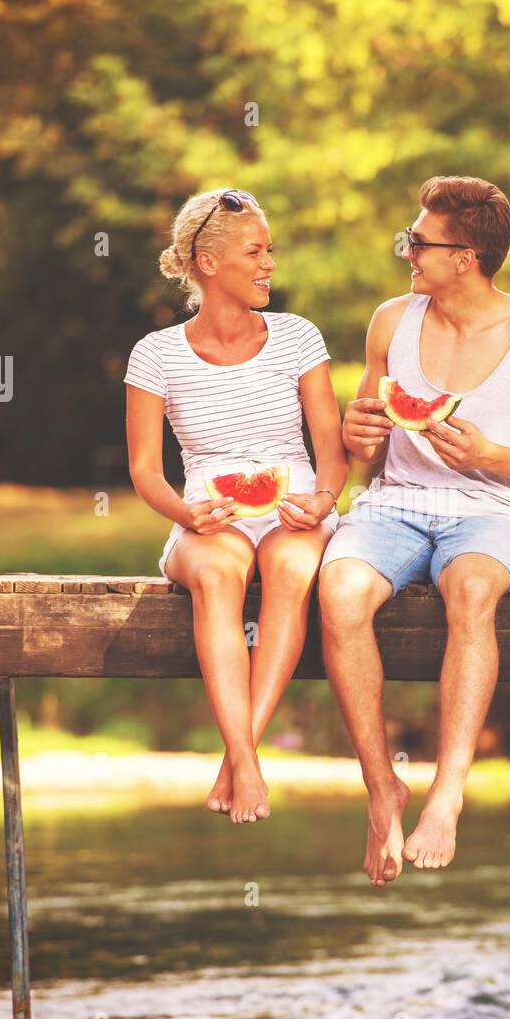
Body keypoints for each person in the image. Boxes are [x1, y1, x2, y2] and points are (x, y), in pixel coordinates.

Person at [319, 175, 510, 886]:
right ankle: (382, 788)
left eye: (418, 241)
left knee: (470, 590)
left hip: (496, 511)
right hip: (395, 505)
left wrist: (490, 456)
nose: (406, 250)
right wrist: (357, 432)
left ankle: (447, 791)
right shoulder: (390, 321)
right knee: (339, 590)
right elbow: (367, 450)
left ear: (464, 256)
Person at [124, 188, 347, 823]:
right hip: (204, 514)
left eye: (270, 250)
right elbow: (144, 471)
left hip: (295, 507)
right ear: (209, 262)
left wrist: (324, 499)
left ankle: (236, 758)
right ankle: (248, 761)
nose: (270, 264)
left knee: (292, 569)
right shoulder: (155, 354)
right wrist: (185, 514)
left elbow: (331, 451)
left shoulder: (300, 337)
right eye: (256, 251)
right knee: (219, 574)